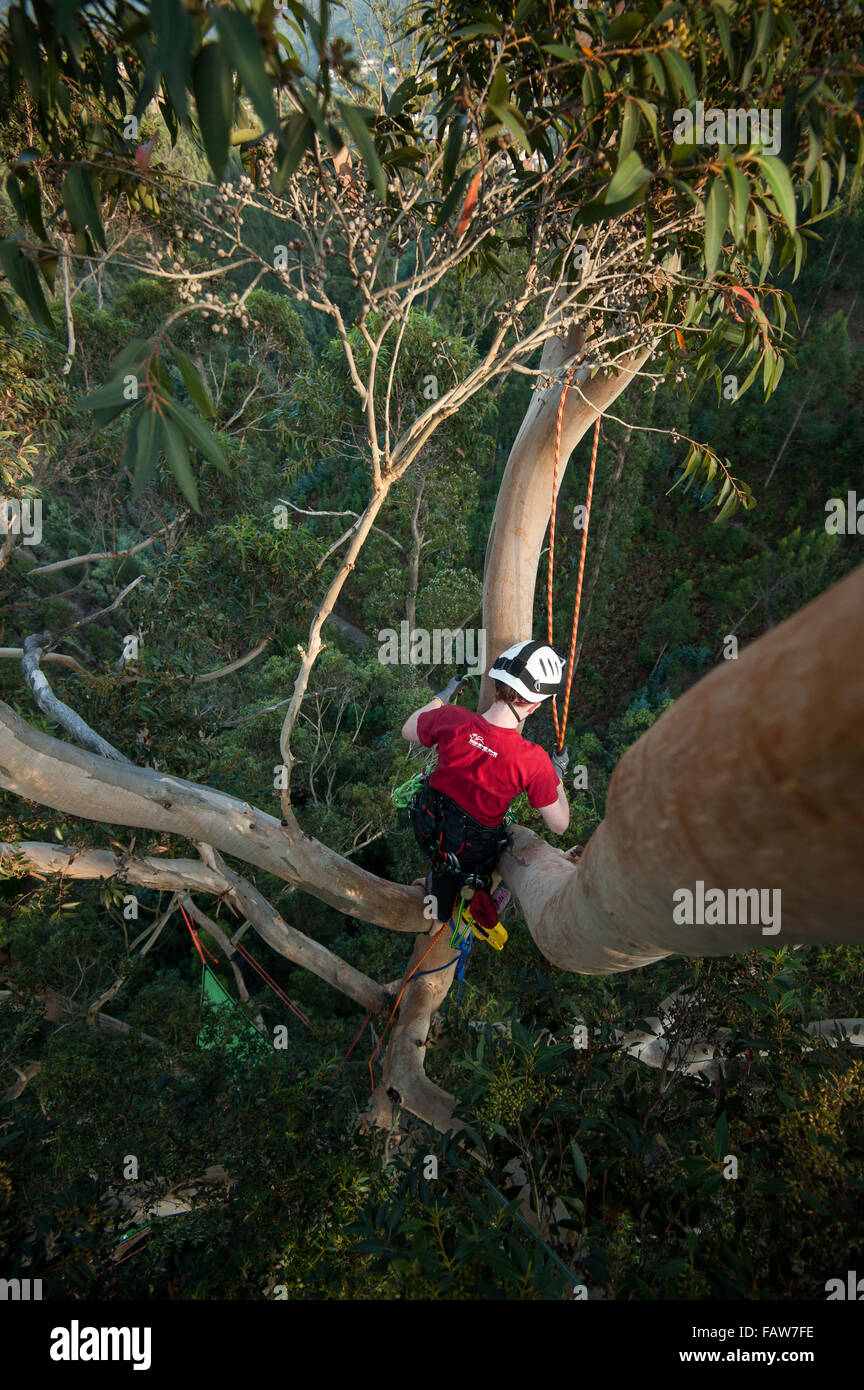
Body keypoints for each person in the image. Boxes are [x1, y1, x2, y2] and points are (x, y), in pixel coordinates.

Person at [400, 640, 571, 932]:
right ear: (535, 705)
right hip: (471, 854)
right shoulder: (532, 761)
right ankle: (475, 894)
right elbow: (560, 824)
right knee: (492, 843)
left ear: (495, 684)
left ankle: (447, 887)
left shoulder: (452, 719)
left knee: (456, 837)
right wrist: (557, 778)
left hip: (426, 830)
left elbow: (408, 729)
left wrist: (442, 697)